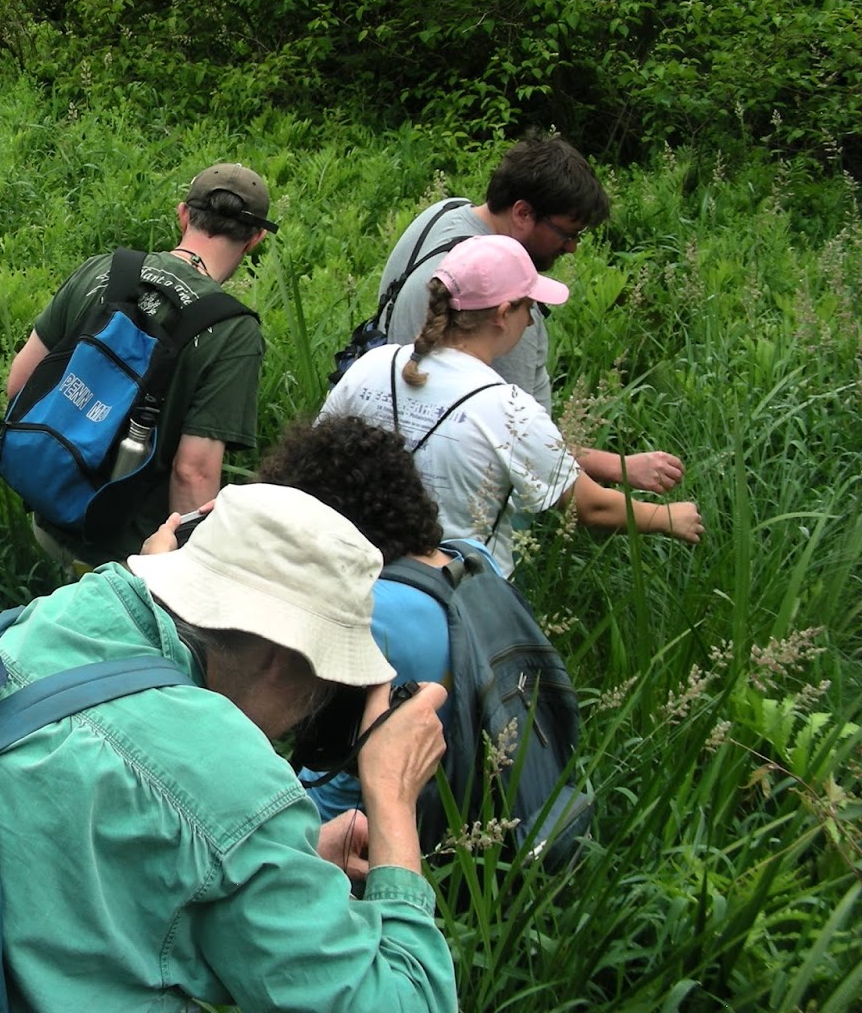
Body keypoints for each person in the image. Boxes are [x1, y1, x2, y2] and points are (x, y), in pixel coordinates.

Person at [0, 484, 458, 1012]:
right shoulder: (230, 784)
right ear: (279, 658)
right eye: (324, 685)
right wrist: (392, 800)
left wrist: (278, 859)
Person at [323, 235, 704, 578]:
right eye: (531, 308)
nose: (531, 320)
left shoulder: (373, 364)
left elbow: (319, 457)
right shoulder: (508, 408)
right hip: (454, 601)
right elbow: (588, 507)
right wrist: (669, 517)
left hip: (353, 574)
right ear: (504, 315)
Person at [377, 134, 684, 495]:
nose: (572, 247)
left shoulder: (443, 212)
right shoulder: (500, 308)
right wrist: (620, 467)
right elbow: (520, 446)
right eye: (566, 233)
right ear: (522, 212)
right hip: (449, 488)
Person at [3, 163, 273, 568]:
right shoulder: (232, 331)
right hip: (125, 559)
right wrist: (183, 579)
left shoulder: (104, 268)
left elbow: (20, 383)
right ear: (255, 238)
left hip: (48, 515)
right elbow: (193, 473)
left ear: (183, 214)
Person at [253, 415, 495, 829]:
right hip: (473, 776)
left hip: (369, 817)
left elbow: (267, 712)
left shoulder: (367, 609)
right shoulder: (470, 557)